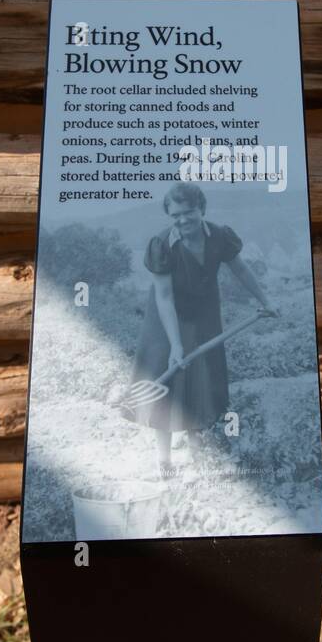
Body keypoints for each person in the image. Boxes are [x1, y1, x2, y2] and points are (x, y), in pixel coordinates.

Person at [129, 184, 276, 477]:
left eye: (189, 212)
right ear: (169, 216)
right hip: (166, 321)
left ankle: (197, 457)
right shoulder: (162, 245)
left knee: (201, 383)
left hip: (205, 316)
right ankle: (165, 462)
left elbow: (242, 270)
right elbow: (164, 298)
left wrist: (266, 301)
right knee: (168, 388)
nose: (183, 220)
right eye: (176, 215)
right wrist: (175, 345)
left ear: (202, 209)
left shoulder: (220, 236)